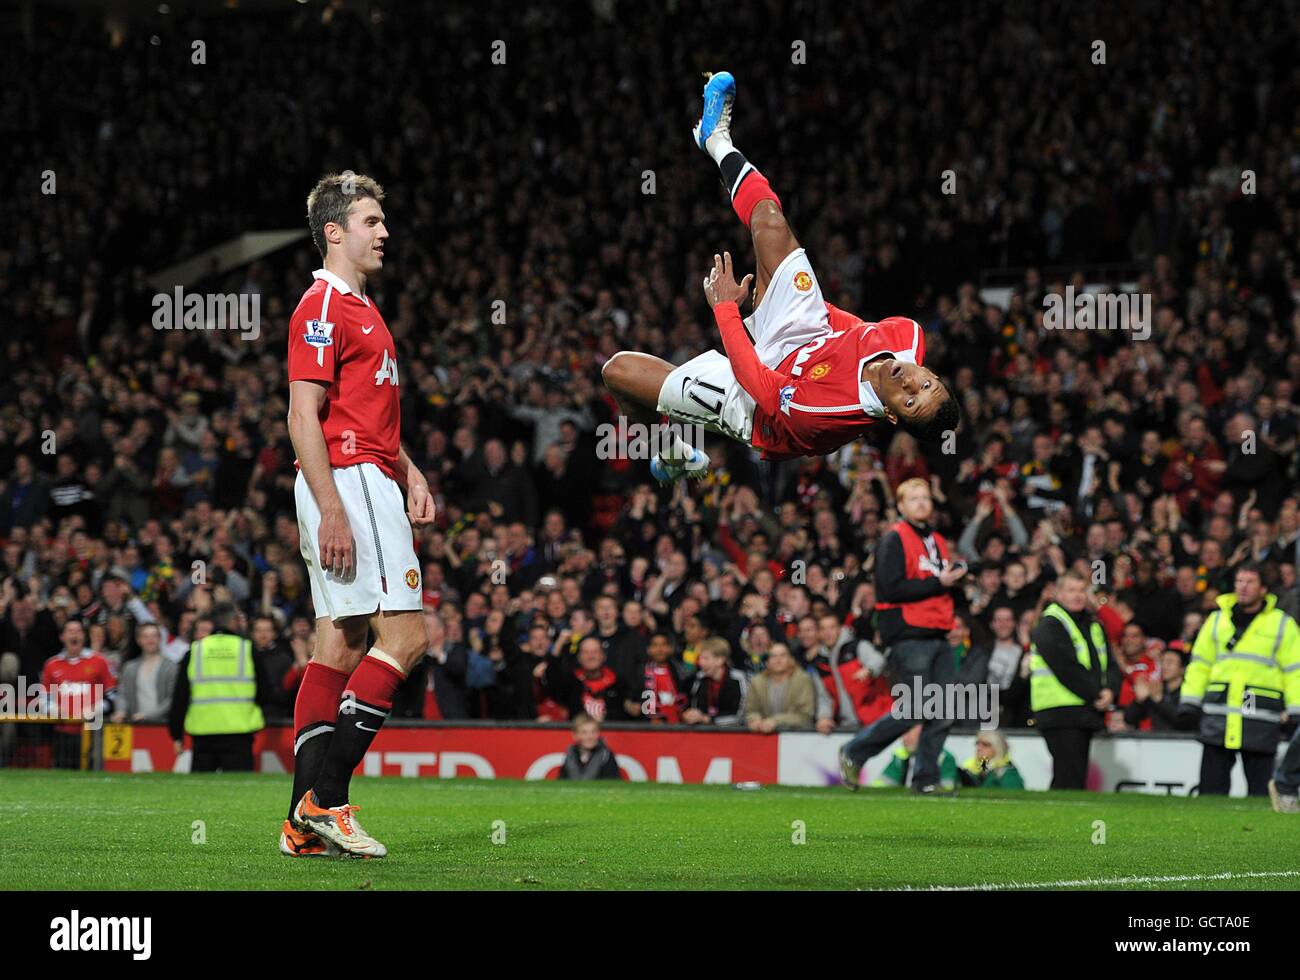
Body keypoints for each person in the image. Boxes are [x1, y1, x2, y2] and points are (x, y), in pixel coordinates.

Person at [600, 71, 960, 483]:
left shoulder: (827, 413)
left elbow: (760, 384)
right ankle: (715, 140)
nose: (912, 386)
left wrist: (725, 310)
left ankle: (669, 453)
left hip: (761, 407)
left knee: (619, 372)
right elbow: (857, 331)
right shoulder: (908, 336)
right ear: (931, 373)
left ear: (894, 416)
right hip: (810, 335)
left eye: (910, 402)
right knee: (771, 223)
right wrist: (805, 300)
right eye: (927, 386)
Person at [284, 172, 437, 859]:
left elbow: (363, 413)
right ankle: (329, 799)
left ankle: (298, 822)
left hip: (369, 474)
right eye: (372, 221)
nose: (385, 232)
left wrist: (410, 468)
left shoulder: (363, 309)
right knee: (406, 638)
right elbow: (303, 415)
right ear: (335, 233)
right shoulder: (323, 307)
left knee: (340, 646)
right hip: (349, 483)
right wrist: (333, 510)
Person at [839, 478, 967, 793]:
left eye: (926, 497)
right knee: (918, 708)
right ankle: (855, 751)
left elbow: (935, 582)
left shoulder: (937, 539)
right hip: (909, 636)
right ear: (900, 506)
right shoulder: (893, 539)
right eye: (914, 498)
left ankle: (926, 779)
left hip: (938, 632)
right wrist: (940, 582)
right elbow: (890, 587)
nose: (922, 503)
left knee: (944, 708)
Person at [1179, 564, 1300, 796]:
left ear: (1263, 588)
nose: (1243, 587)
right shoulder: (1215, 620)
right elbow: (1199, 665)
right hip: (1218, 715)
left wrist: (1296, 709)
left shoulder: (1282, 624)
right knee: (1210, 796)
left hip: (1260, 717)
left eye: (1250, 582)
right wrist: (1190, 702)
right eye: (1239, 582)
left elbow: (1295, 671)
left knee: (1260, 796)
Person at [1028, 572, 1121, 790]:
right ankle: (1060, 821)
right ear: (1058, 593)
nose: (1078, 596)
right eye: (1071, 590)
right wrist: (1098, 693)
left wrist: (1110, 690)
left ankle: (1059, 820)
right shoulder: (1050, 623)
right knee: (1069, 776)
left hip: (1080, 709)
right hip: (1059, 709)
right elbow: (1065, 667)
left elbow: (1110, 663)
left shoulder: (1092, 624)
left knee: (1071, 775)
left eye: (1081, 590)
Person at [167, 603, 267, 775]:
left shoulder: (195, 651)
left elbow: (180, 696)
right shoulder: (247, 649)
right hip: (239, 732)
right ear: (235, 622)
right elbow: (265, 692)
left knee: (202, 793)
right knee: (240, 793)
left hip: (203, 733)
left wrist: (176, 734)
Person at [40, 620, 116, 769]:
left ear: (84, 636)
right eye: (70, 631)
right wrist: (55, 710)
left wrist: (92, 711)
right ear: (62, 637)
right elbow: (43, 700)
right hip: (62, 732)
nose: (74, 634)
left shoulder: (99, 661)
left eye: (78, 631)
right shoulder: (51, 664)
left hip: (93, 731)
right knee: (62, 778)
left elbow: (112, 697)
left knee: (92, 776)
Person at [111, 622, 178, 724]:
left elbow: (173, 699)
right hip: (136, 726)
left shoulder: (171, 667)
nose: (150, 640)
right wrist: (120, 711)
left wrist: (148, 716)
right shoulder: (130, 667)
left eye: (154, 636)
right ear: (139, 640)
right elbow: (122, 695)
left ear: (160, 639)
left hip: (163, 726)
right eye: (145, 636)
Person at [745, 643, 816, 732]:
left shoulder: (803, 680)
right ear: (767, 662)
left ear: (790, 659)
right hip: (763, 736)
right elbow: (751, 711)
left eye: (782, 655)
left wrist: (776, 721)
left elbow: (805, 716)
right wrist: (755, 720)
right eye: (773, 656)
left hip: (797, 736)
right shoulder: (757, 682)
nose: (778, 660)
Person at [871, 724, 958, 790]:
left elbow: (947, 789)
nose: (904, 738)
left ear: (923, 729)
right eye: (902, 733)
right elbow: (882, 785)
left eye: (908, 732)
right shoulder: (901, 755)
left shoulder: (944, 757)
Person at [682, 638, 747, 726]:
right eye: (700, 658)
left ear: (720, 660)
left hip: (733, 733)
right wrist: (691, 715)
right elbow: (694, 706)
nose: (701, 663)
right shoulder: (700, 677)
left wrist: (708, 719)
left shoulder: (737, 678)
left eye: (706, 658)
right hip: (705, 733)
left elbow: (739, 717)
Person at [556, 713, 623, 781]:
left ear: (598, 733)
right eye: (584, 732)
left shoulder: (606, 755)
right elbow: (562, 780)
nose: (590, 737)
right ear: (575, 735)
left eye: (593, 732)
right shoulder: (571, 753)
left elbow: (613, 782)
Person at [958, 730, 1025, 789]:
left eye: (986, 744)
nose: (979, 748)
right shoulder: (968, 768)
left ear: (998, 748)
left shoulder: (1008, 773)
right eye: (977, 743)